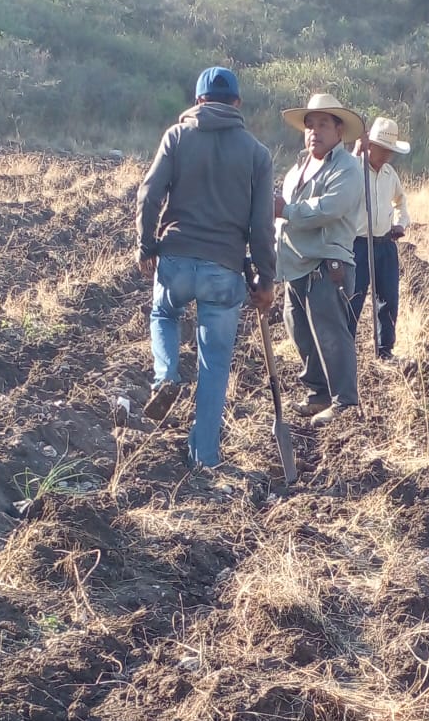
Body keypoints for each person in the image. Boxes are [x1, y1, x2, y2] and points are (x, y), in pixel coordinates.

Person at [136, 66, 276, 469]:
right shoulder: (257, 153)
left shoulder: (177, 136)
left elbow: (149, 194)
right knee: (214, 364)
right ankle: (206, 457)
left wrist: (146, 245)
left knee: (163, 313)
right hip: (224, 269)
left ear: (198, 101)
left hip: (177, 257)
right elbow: (262, 225)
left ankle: (165, 377)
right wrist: (265, 280)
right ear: (237, 104)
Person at [275, 93, 366, 427]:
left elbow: (328, 209)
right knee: (299, 329)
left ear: (339, 131)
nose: (314, 131)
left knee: (330, 333)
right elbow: (281, 220)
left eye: (323, 124)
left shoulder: (348, 169)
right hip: (294, 264)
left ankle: (345, 402)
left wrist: (286, 210)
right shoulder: (297, 167)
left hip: (327, 264)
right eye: (310, 125)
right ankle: (318, 394)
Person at [348, 117, 411, 362]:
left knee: (388, 299)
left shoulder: (389, 173)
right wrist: (355, 153)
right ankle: (346, 351)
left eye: (390, 151)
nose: (386, 155)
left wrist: (400, 223)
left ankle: (385, 351)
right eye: (383, 149)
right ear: (370, 146)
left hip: (384, 244)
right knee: (353, 299)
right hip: (357, 245)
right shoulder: (353, 168)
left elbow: (401, 202)